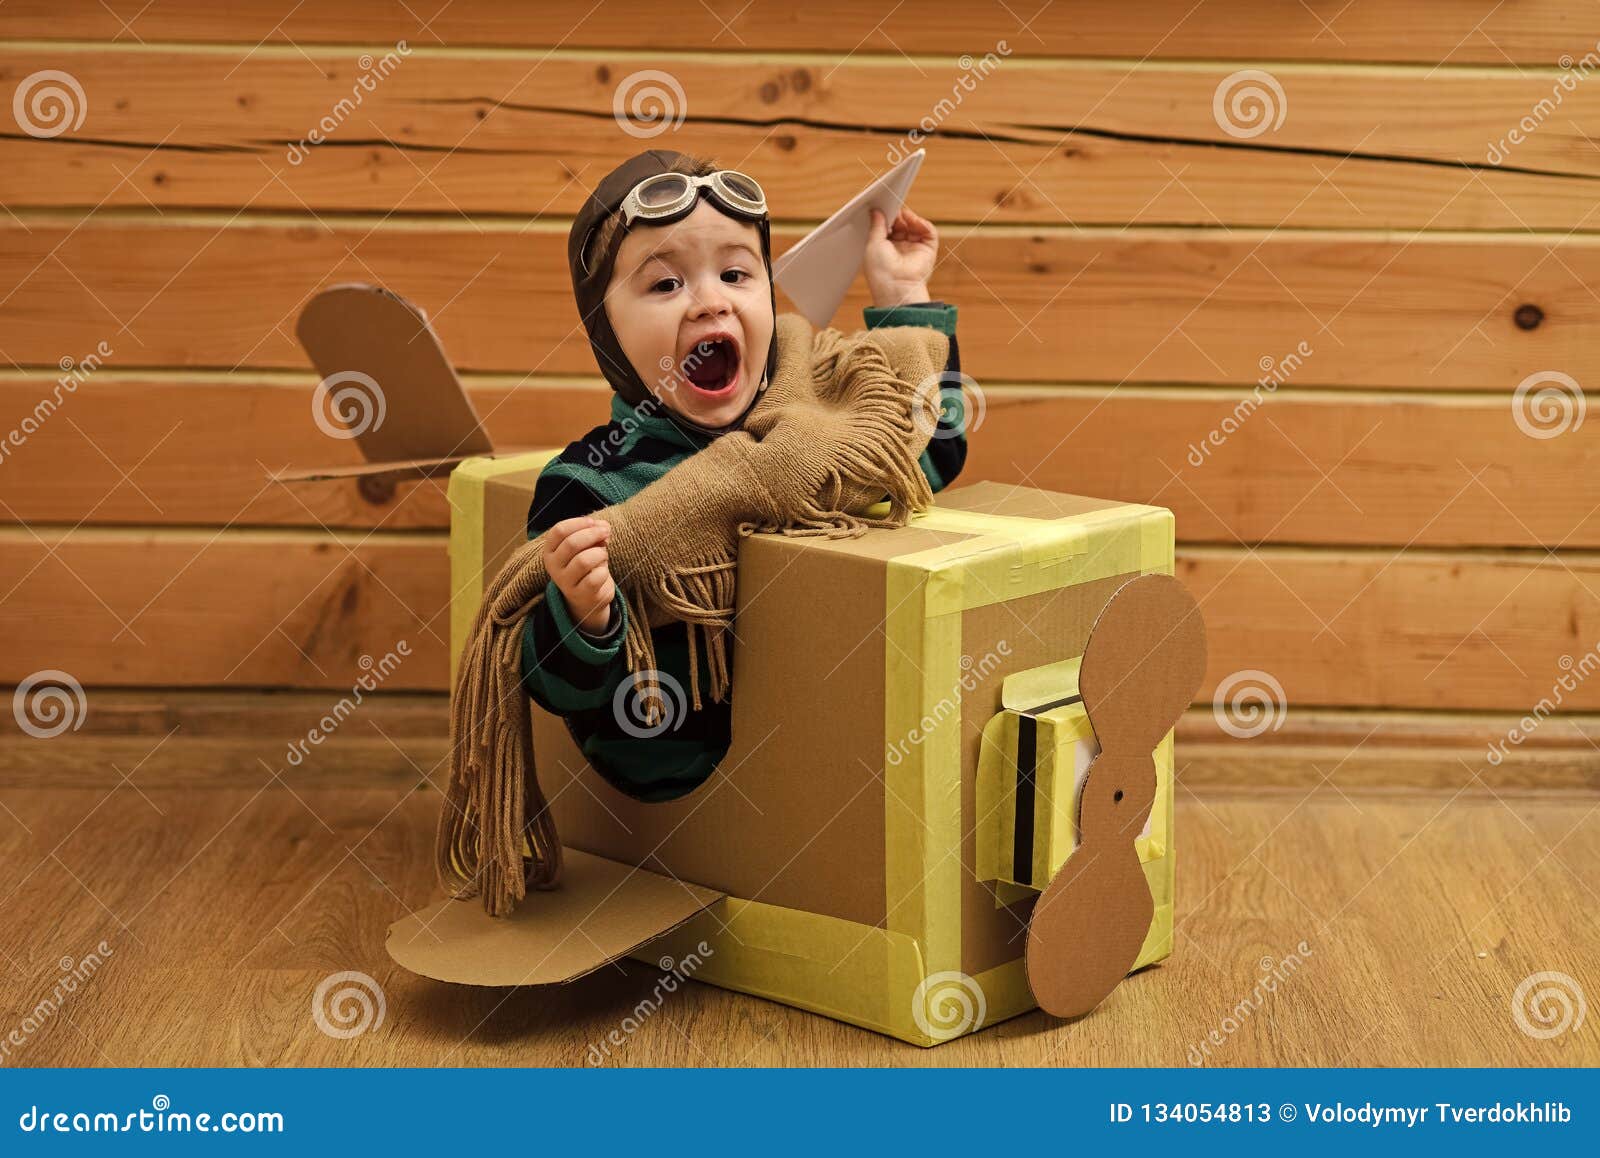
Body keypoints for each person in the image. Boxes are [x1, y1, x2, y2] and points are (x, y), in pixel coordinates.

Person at [520, 148, 968, 802]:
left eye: (735, 274)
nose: (711, 303)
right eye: (665, 285)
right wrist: (583, 615)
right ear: (606, 330)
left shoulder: (812, 426)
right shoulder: (589, 485)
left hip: (821, 771)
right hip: (675, 791)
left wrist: (903, 298)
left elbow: (927, 455)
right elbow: (550, 684)